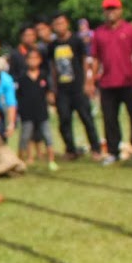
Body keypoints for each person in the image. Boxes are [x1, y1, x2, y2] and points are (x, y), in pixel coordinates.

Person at [89, 0, 132, 163]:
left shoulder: (130, 30)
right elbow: (95, 58)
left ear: (120, 10)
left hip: (128, 80)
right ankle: (113, 151)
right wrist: (91, 80)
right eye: (107, 9)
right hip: (107, 82)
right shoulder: (99, 33)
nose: (110, 13)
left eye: (113, 9)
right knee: (109, 118)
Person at [48, 12, 99, 156]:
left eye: (62, 23)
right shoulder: (52, 45)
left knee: (86, 118)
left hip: (78, 86)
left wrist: (88, 82)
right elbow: (53, 67)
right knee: (64, 119)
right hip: (62, 88)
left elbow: (85, 61)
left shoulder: (77, 41)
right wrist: (53, 89)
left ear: (67, 24)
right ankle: (70, 149)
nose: (59, 27)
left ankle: (96, 148)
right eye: (56, 24)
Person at [16, 48, 57, 170]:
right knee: (25, 137)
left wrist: (52, 102)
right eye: (30, 58)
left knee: (47, 136)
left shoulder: (43, 75)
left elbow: (49, 93)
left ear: (40, 60)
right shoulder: (22, 77)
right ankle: (21, 161)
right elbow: (18, 95)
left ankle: (51, 160)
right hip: (27, 112)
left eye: (35, 58)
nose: (33, 61)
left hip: (42, 111)